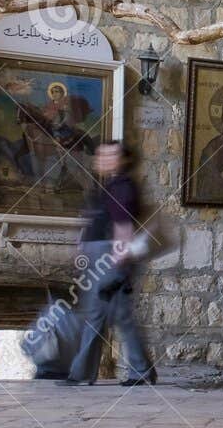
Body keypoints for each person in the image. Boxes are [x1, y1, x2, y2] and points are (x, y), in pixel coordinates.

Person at [61, 141, 156, 387]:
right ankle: (83, 373)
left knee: (120, 316)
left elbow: (123, 226)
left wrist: (117, 265)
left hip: (109, 257)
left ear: (122, 159)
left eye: (110, 154)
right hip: (100, 256)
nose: (103, 158)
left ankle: (138, 371)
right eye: (101, 153)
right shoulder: (110, 185)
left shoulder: (123, 186)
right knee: (98, 314)